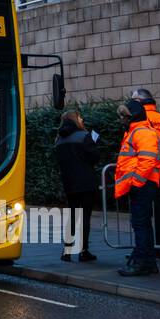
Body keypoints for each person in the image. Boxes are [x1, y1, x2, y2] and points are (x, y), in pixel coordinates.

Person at [114, 99, 160, 277]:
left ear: (132, 116)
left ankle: (142, 263)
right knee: (143, 224)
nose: (121, 119)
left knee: (140, 224)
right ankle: (148, 262)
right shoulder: (137, 131)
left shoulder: (141, 132)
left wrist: (136, 182)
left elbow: (147, 160)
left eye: (123, 116)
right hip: (144, 184)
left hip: (142, 185)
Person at [131, 88, 160, 259]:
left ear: (141, 100)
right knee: (158, 211)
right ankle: (159, 248)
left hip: (142, 174)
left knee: (141, 216)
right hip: (159, 173)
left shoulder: (138, 119)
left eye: (133, 99)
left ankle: (143, 251)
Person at [54, 110, 100, 262]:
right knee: (85, 217)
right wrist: (94, 142)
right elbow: (94, 157)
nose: (82, 118)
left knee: (72, 215)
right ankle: (83, 250)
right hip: (86, 182)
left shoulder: (59, 139)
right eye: (80, 117)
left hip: (69, 182)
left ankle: (66, 250)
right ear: (74, 119)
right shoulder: (84, 136)